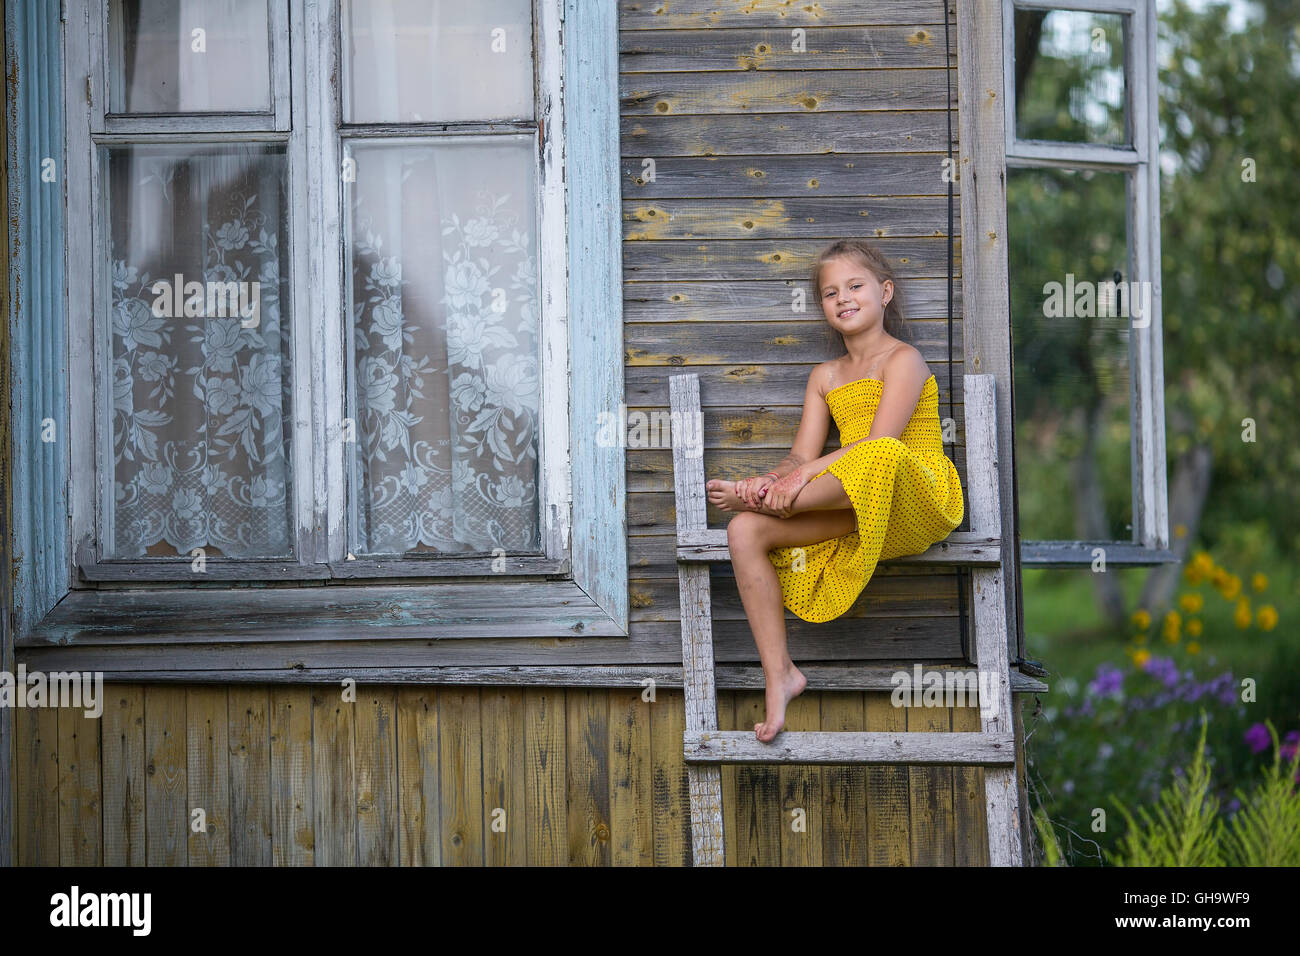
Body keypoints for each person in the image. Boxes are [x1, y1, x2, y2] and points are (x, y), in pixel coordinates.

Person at [705, 239, 965, 742]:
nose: (842, 297)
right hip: (856, 504)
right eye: (830, 292)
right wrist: (778, 476)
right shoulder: (825, 376)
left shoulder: (903, 359)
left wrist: (794, 482)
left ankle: (771, 498)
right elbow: (802, 456)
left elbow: (880, 443)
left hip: (916, 495)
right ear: (823, 307)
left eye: (855, 286)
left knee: (879, 453)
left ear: (884, 292)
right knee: (742, 530)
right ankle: (779, 674)